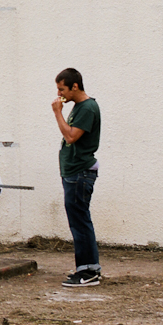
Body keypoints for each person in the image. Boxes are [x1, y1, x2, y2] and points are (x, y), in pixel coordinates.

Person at [52, 67, 102, 287]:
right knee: (79, 221)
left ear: (75, 86)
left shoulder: (87, 108)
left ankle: (88, 272)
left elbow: (71, 136)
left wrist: (57, 113)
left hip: (80, 173)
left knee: (80, 222)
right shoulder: (79, 107)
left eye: (62, 89)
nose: (59, 94)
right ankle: (88, 268)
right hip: (73, 172)